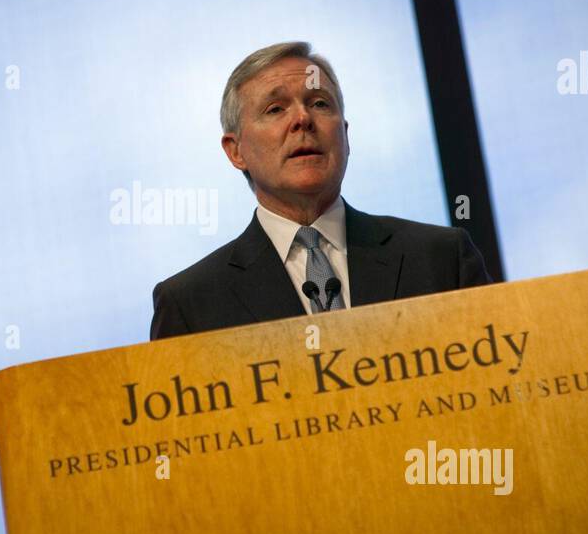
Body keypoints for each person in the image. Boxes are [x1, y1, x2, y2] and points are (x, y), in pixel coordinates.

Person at [150, 41, 493, 340]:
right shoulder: (190, 305)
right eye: (275, 109)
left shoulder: (443, 260)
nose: (302, 119)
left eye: (319, 103)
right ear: (235, 151)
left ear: (344, 135)